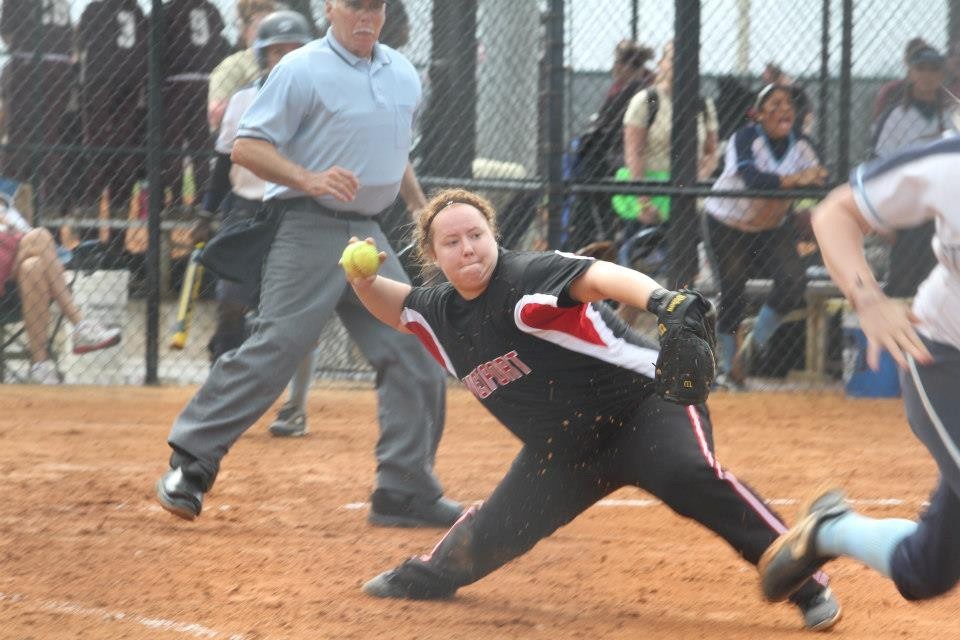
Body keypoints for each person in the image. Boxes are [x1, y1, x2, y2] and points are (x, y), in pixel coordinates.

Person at [345, 187, 841, 631]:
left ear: (494, 235)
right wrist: (364, 283)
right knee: (498, 527)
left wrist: (661, 300)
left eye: (475, 234)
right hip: (564, 450)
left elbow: (597, 276)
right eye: (451, 242)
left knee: (688, 475)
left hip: (644, 408)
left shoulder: (525, 281)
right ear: (432, 254)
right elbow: (400, 307)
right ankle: (428, 576)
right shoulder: (439, 312)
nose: (467, 248)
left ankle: (807, 584)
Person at [154, 0, 462, 529]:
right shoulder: (299, 68)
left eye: (375, 7)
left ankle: (404, 490)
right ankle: (189, 465)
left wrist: (421, 210)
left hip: (369, 234)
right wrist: (308, 178)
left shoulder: (403, 74)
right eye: (354, 6)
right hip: (306, 225)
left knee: (414, 342)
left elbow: (395, 152)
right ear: (329, 9)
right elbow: (247, 148)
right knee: (277, 347)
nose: (365, 16)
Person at [758, 135, 960, 606]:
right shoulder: (949, 165)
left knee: (925, 571)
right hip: (944, 358)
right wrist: (867, 299)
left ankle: (831, 529)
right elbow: (835, 213)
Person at [192, 9, 317, 437]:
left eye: (293, 50)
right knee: (231, 304)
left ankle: (294, 407)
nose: (283, 58)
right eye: (275, 51)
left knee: (292, 315)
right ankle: (220, 395)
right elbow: (222, 162)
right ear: (261, 55)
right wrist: (207, 213)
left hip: (296, 212)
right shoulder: (244, 99)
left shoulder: (321, 100)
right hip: (244, 210)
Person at [703, 84, 827, 389]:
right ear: (758, 114)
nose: (784, 109)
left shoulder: (801, 144)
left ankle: (751, 349)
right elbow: (751, 178)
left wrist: (804, 180)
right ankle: (729, 371)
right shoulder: (745, 138)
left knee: (793, 280)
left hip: (770, 225)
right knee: (732, 288)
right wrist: (797, 179)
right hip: (726, 221)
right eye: (774, 104)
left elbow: (821, 178)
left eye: (788, 104)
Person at [870, 44, 959, 298]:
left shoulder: (953, 113)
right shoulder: (895, 116)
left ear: (942, 74)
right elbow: (879, 165)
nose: (928, 75)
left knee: (941, 282)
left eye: (934, 69)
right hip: (908, 209)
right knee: (903, 283)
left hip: (945, 210)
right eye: (921, 69)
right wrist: (882, 218)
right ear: (910, 73)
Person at [1, 206, 122, 384]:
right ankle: (79, 324)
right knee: (40, 236)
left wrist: (8, 223)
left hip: (13, 279)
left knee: (33, 267)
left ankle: (39, 365)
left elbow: (22, 231)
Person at [76, 0, 149, 246]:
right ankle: (113, 242)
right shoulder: (136, 11)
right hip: (129, 82)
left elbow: (80, 42)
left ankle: (91, 240)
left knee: (97, 156)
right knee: (121, 156)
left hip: (99, 81)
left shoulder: (96, 8)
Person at [0, 0, 77, 213]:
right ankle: (51, 202)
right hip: (60, 65)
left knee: (18, 135)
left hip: (29, 61)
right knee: (50, 135)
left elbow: (7, 33)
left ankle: (9, 201)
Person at [158, 0, 230, 206]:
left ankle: (178, 199)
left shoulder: (169, 9)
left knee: (174, 144)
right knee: (201, 146)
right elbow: (220, 42)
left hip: (177, 81)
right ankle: (202, 199)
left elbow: (160, 46)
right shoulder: (211, 9)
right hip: (209, 82)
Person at [207, 0, 278, 132]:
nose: (268, 33)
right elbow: (217, 114)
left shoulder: (291, 59)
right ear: (244, 30)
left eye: (273, 26)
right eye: (260, 27)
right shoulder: (234, 64)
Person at [871, 37, 930, 123]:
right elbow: (878, 122)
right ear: (906, 61)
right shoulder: (891, 90)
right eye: (915, 58)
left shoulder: (937, 91)